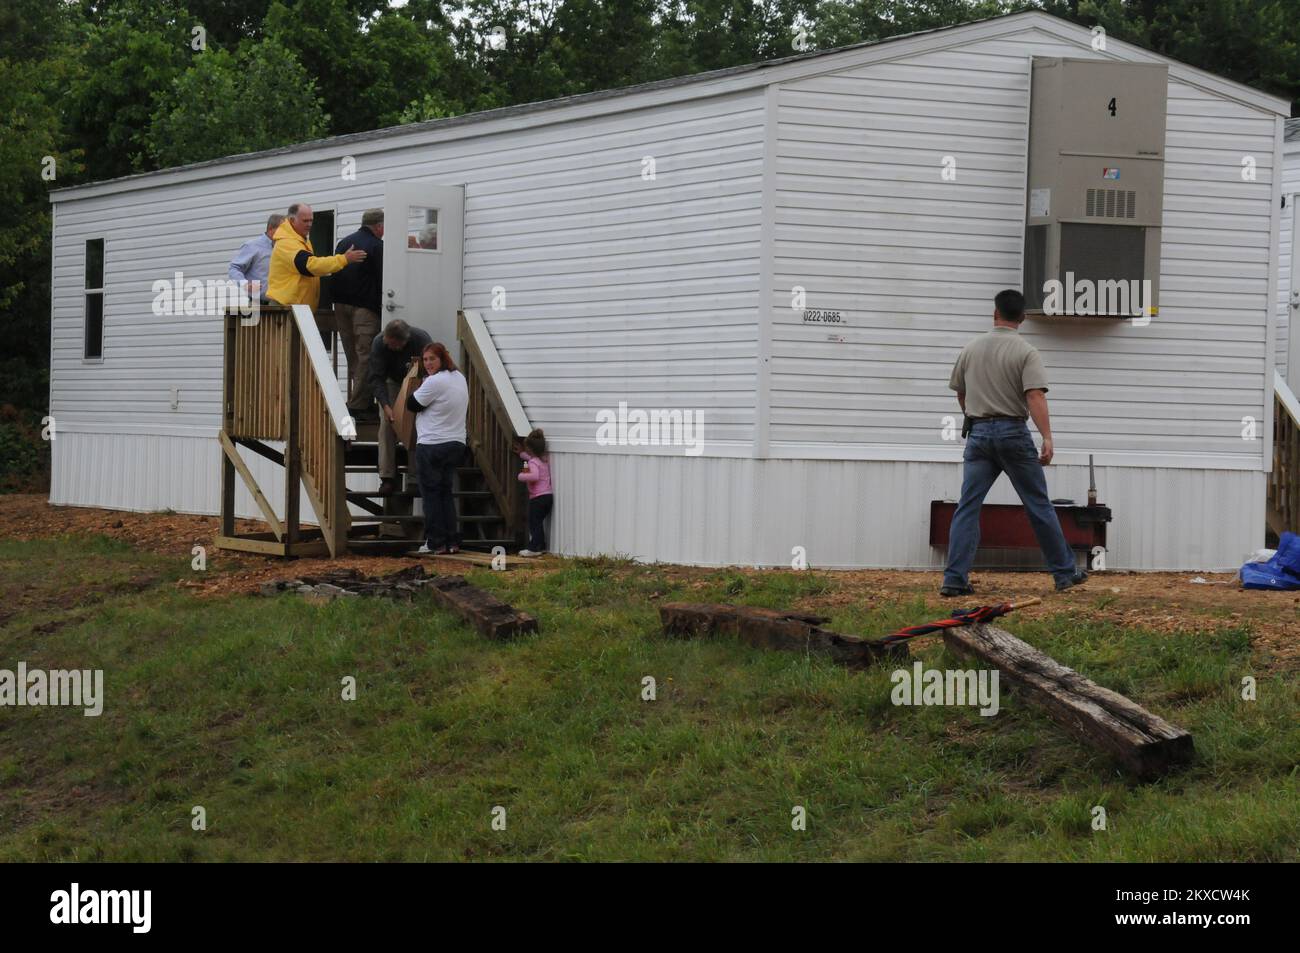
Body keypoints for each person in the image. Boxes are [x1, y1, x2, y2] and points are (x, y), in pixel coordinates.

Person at [941, 289, 1088, 597]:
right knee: (1037, 504)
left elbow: (960, 392)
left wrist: (974, 417)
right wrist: (1047, 437)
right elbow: (1034, 395)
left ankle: (954, 580)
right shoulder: (1026, 352)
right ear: (1022, 318)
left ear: (994, 313)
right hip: (1013, 433)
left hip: (978, 434)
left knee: (968, 506)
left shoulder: (971, 348)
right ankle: (1063, 573)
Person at [406, 342, 469, 555]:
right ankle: (452, 541)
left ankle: (435, 542)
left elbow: (412, 404)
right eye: (425, 360)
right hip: (456, 442)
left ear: (442, 359)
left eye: (432, 359)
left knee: (431, 495)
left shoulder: (434, 381)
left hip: (432, 444)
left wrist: (419, 385)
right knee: (445, 493)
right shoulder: (459, 377)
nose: (428, 364)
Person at [332, 209, 385, 418]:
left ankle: (361, 400)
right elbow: (382, 278)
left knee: (353, 355)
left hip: (340, 307)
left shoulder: (343, 243)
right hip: (364, 308)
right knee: (367, 355)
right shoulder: (376, 246)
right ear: (378, 226)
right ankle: (358, 405)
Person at [369, 319, 432, 495]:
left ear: (406, 340)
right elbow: (376, 378)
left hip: (416, 382)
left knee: (415, 424)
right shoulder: (378, 343)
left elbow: (431, 369)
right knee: (386, 425)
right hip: (391, 383)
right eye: (390, 345)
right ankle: (387, 477)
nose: (393, 348)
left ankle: (414, 478)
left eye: (397, 346)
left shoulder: (421, 339)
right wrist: (386, 406)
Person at [266, 202, 365, 310]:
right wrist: (344, 259)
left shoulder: (300, 239)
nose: (309, 224)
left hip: (296, 307)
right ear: (292, 221)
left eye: (311, 220)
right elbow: (310, 266)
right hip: (285, 308)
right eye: (305, 221)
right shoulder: (287, 243)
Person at [514, 430, 553, 557]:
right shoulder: (543, 460)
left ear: (530, 449)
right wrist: (521, 454)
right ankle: (540, 545)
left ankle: (533, 547)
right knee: (538, 522)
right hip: (547, 496)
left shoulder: (532, 462)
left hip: (538, 498)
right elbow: (529, 457)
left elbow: (534, 476)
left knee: (534, 523)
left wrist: (521, 476)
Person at [227, 214, 284, 299]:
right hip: (257, 304)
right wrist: (245, 284)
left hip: (279, 305)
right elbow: (234, 268)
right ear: (271, 229)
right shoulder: (252, 246)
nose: (286, 234)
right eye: (283, 230)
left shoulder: (283, 248)